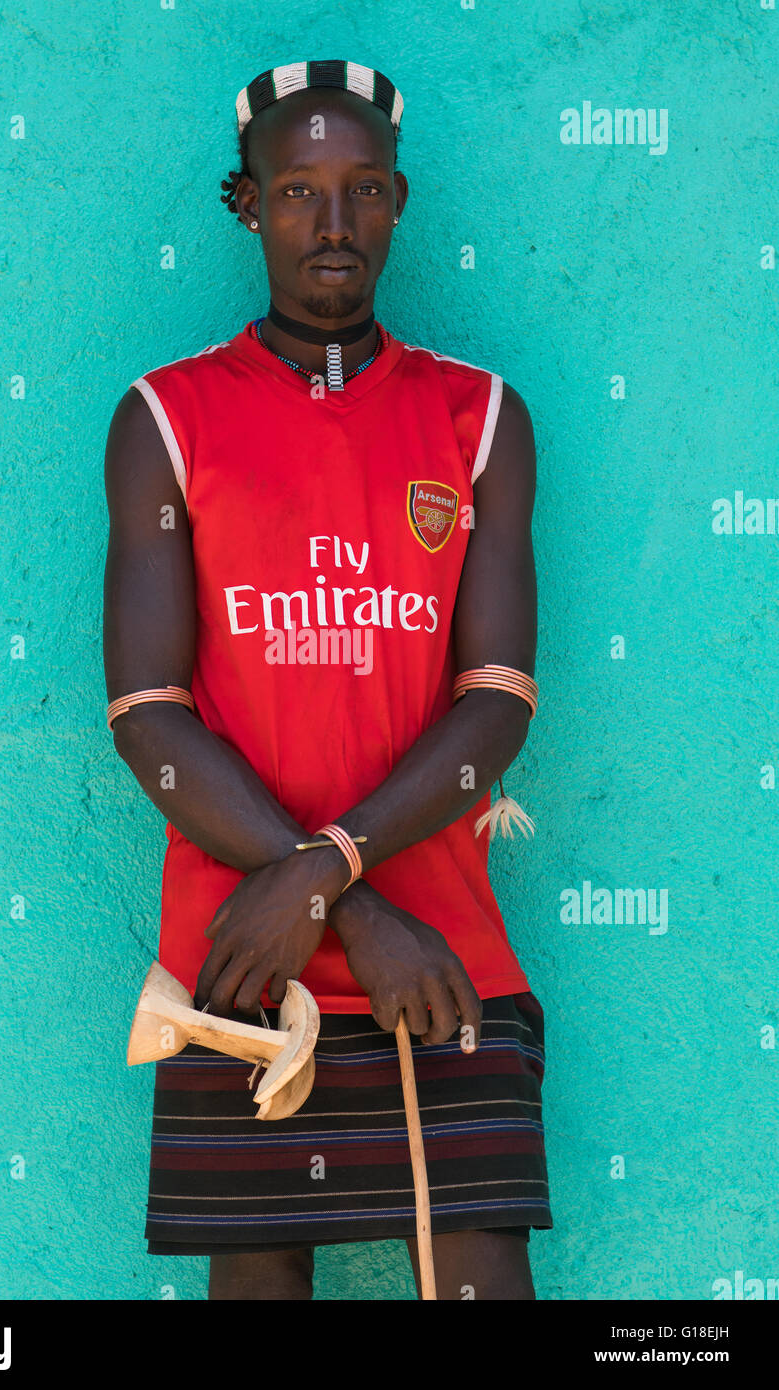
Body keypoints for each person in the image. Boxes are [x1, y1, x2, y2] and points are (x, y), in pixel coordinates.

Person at [103, 59, 551, 1301]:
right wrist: (341, 898)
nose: (333, 223)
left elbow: (496, 699)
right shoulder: (164, 416)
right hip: (247, 959)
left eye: (361, 190)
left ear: (400, 201)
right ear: (245, 204)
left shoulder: (482, 418)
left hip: (446, 954)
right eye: (298, 189)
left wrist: (327, 868)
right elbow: (147, 715)